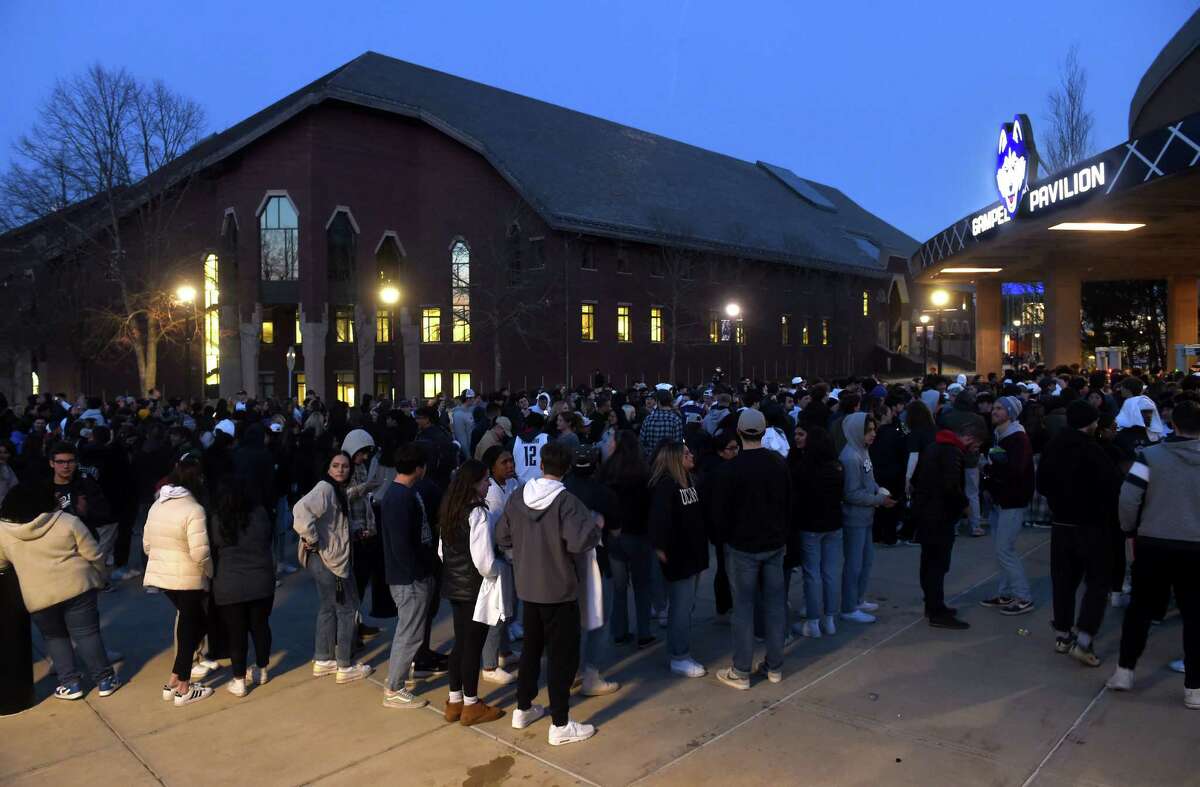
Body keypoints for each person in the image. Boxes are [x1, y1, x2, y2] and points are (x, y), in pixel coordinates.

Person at [496, 441, 601, 746]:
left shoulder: (518, 497)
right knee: (561, 656)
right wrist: (595, 526)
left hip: (527, 586)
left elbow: (502, 535)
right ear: (566, 469)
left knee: (531, 649)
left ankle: (523, 707)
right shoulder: (568, 502)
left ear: (541, 465)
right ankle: (560, 723)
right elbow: (581, 542)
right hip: (559, 589)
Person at [1107, 398, 1200, 709]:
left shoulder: (1150, 456)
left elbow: (1128, 497)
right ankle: (1194, 689)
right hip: (1195, 547)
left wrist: (1129, 528)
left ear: (1173, 424)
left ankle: (1124, 671)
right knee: (1195, 616)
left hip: (1153, 542)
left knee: (1140, 610)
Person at [0, 484, 119, 700]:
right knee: (87, 634)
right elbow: (94, 554)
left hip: (38, 596)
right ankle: (105, 680)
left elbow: (1, 565)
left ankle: (71, 684)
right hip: (78, 587)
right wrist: (100, 577)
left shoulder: (3, 532)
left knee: (54, 638)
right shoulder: (67, 521)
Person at [710, 408, 791, 690]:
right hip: (773, 544)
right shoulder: (779, 463)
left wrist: (723, 537)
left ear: (740, 433)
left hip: (743, 546)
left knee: (743, 609)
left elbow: (720, 511)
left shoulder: (730, 468)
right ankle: (775, 665)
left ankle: (742, 670)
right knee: (774, 606)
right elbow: (789, 502)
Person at [1037, 400, 1124, 666]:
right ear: (1090, 423)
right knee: (1097, 582)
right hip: (1093, 526)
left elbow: (1042, 484)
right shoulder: (1094, 451)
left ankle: (1062, 634)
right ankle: (1084, 639)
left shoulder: (1053, 447)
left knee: (1063, 581)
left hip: (1062, 525)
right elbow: (1114, 487)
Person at [293, 452, 373, 684]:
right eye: (336, 465)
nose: (340, 470)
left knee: (328, 607)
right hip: (329, 560)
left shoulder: (334, 489)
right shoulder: (325, 489)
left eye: (345, 466)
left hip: (324, 558)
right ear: (327, 468)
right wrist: (312, 539)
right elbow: (300, 512)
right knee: (347, 609)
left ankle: (324, 658)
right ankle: (344, 664)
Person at [143, 452, 214, 706]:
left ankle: (175, 678)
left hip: (163, 578)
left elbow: (147, 544)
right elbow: (200, 552)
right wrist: (210, 572)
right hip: (189, 578)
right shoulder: (194, 509)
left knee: (189, 624)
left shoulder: (157, 504)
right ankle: (183, 686)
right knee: (192, 626)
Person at [438, 459, 506, 725]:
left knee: (461, 644)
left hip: (454, 586)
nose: (489, 483)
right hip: (474, 588)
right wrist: (497, 570)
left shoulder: (449, 510)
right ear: (474, 484)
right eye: (485, 479)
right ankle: (471, 704)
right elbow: (483, 561)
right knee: (472, 647)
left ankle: (455, 701)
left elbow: (442, 552)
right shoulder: (476, 512)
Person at [378, 443, 438, 709]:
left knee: (409, 631)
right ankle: (394, 688)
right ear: (419, 468)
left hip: (410, 576)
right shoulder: (399, 498)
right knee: (409, 633)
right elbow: (401, 545)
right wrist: (417, 573)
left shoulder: (400, 493)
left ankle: (398, 681)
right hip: (408, 579)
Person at [562, 444, 622, 696]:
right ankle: (591, 674)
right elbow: (616, 531)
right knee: (598, 619)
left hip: (565, 563)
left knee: (571, 620)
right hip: (597, 561)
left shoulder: (562, 491)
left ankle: (571, 670)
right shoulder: (604, 494)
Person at [210, 477, 276, 697]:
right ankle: (262, 669)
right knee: (260, 626)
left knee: (236, 633)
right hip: (261, 580)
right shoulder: (260, 513)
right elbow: (268, 538)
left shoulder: (218, 519)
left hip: (229, 583)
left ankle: (239, 681)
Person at [648, 441, 708, 678]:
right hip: (680, 556)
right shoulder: (665, 486)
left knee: (686, 606)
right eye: (685, 453)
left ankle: (679, 651)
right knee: (681, 608)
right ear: (674, 459)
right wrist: (660, 547)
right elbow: (659, 520)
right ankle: (679, 655)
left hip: (693, 554)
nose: (691, 454)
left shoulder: (690, 480)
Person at [912, 423, 981, 629]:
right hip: (939, 515)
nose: (975, 451)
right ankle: (936, 610)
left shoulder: (935, 447)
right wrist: (965, 505)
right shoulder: (952, 452)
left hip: (927, 513)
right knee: (937, 564)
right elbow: (951, 485)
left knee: (929, 562)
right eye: (976, 446)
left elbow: (918, 478)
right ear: (969, 438)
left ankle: (932, 604)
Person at [980, 396, 1036, 616]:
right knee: (1001, 550)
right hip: (1000, 500)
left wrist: (990, 473)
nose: (994, 411)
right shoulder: (1001, 436)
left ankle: (1023, 597)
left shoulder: (1017, 438)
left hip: (1012, 501)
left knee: (1005, 549)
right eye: (994, 407)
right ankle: (1005, 593)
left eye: (1000, 408)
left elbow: (1013, 470)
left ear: (1011, 413)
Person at [602, 430, 656, 649]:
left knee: (619, 587)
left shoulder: (607, 472)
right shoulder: (644, 473)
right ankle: (644, 632)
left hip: (615, 536)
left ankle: (619, 631)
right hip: (639, 535)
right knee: (642, 587)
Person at [839, 413, 895, 624]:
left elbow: (868, 480)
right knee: (854, 564)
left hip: (865, 517)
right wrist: (879, 499)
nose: (873, 434)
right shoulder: (850, 456)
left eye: (873, 429)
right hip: (854, 519)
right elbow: (851, 494)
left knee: (865, 561)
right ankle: (848, 606)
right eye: (868, 430)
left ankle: (858, 599)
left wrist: (879, 493)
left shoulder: (862, 451)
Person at [790, 425, 843, 638]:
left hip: (811, 526)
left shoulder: (802, 468)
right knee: (830, 572)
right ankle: (829, 619)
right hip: (833, 524)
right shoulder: (837, 467)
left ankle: (813, 621)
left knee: (812, 574)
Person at [639, 390, 682, 460]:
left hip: (651, 459)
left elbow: (642, 441)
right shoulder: (676, 419)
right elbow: (678, 444)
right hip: (669, 460)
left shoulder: (648, 419)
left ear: (657, 401)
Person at [513, 413, 549, 485]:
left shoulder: (515, 440)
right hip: (541, 483)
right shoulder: (547, 438)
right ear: (542, 426)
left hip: (520, 483)